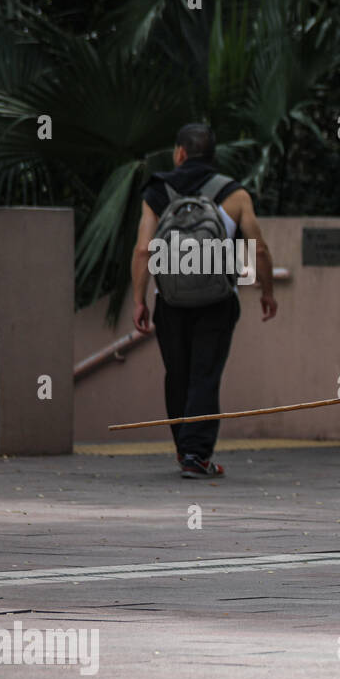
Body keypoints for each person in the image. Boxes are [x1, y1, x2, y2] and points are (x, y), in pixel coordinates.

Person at [130, 123, 277, 478]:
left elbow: (142, 250)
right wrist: (267, 292)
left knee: (177, 374)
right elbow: (258, 248)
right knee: (204, 375)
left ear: (179, 153)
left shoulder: (157, 191)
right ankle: (196, 455)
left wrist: (139, 300)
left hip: (171, 301)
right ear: (213, 155)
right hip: (217, 301)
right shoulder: (234, 194)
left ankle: (186, 452)